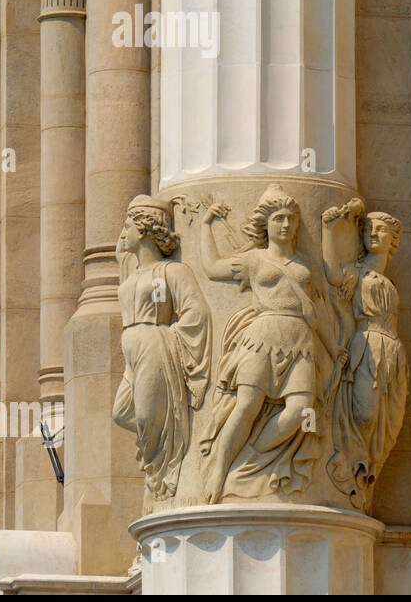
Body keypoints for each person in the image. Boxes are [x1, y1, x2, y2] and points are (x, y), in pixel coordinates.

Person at [198, 185, 334, 502]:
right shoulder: (254, 259)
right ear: (266, 224)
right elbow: (212, 268)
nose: (286, 225)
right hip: (262, 336)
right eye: (278, 219)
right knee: (247, 405)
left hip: (301, 340)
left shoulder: (305, 264)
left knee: (301, 410)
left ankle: (252, 460)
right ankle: (219, 469)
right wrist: (205, 225)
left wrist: (332, 347)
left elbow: (322, 310)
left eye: (291, 219)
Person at [112, 195, 211, 500]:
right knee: (121, 412)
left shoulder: (171, 272)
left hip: (154, 345)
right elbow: (121, 254)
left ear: (143, 230)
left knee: (144, 417)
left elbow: (196, 311)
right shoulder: (132, 274)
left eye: (127, 225)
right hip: (132, 351)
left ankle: (165, 467)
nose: (121, 233)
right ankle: (159, 456)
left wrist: (171, 340)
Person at [322, 198, 408, 507]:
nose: (373, 233)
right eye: (368, 229)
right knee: (364, 414)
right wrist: (329, 230)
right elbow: (331, 274)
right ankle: (355, 471)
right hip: (366, 346)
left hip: (392, 352)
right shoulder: (355, 273)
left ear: (392, 239)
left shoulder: (387, 281)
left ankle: (369, 476)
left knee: (391, 422)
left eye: (381, 229)